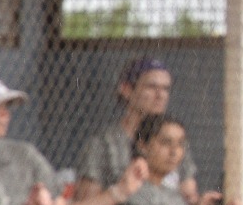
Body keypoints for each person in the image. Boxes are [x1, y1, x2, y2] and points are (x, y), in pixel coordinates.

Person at [76, 57, 197, 196]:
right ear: (126, 90)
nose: (160, 95)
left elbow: (189, 194)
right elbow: (87, 201)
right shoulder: (103, 143)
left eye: (165, 89)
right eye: (151, 87)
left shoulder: (176, 141)